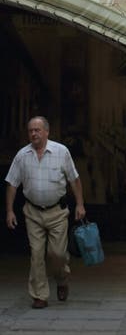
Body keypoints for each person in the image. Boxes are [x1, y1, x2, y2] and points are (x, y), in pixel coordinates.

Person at [5, 116, 86, 309]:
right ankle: (39, 295)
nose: (33, 133)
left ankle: (62, 279)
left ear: (47, 132)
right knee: (37, 254)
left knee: (57, 254)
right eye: (31, 130)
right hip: (32, 212)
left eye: (37, 130)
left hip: (57, 212)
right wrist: (9, 211)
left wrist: (80, 204)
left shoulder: (61, 151)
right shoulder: (22, 155)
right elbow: (12, 183)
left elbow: (74, 179)